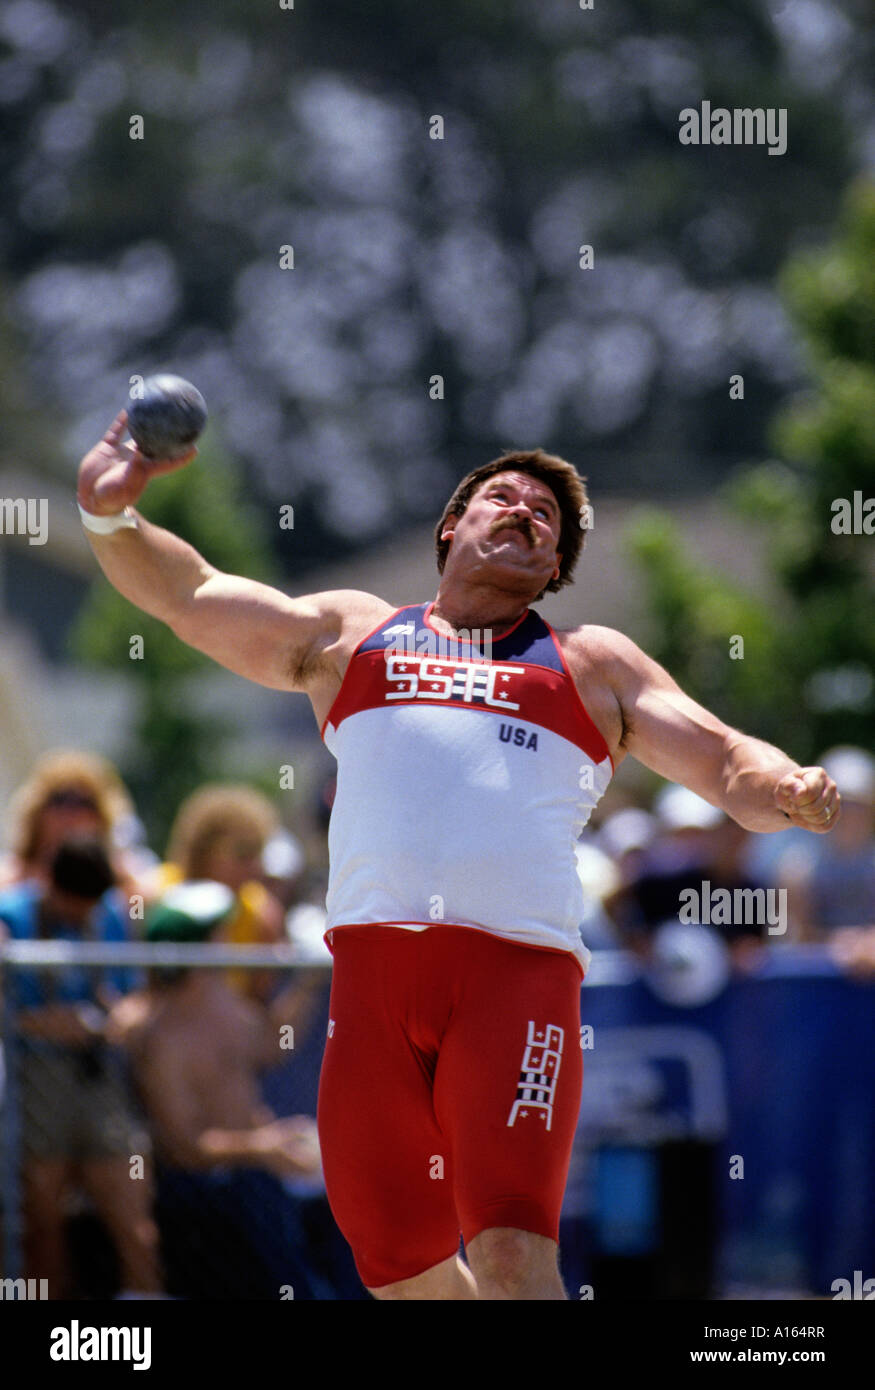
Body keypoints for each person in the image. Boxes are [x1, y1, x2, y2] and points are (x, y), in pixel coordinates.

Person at [75, 414, 841, 1300]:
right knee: (402, 1272)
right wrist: (108, 520)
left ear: (554, 569)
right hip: (372, 988)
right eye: (501, 498)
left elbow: (721, 758)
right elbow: (190, 596)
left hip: (513, 985)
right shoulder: (354, 635)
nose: (524, 513)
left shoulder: (588, 665)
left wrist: (787, 787)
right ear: (451, 528)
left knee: (514, 1253)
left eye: (546, 517)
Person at [108, 882, 337, 1299]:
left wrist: (306, 980)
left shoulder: (226, 1006)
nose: (227, 941)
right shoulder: (160, 1036)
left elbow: (271, 1045)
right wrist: (262, 1149)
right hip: (205, 1198)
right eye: (216, 934)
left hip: (254, 1180)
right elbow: (183, 1149)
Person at [0, 836, 161, 1298]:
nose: (83, 914)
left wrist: (108, 1022)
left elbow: (134, 999)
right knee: (41, 1220)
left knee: (133, 1218)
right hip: (34, 1084)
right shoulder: (11, 916)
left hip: (100, 1081)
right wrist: (41, 1024)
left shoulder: (110, 913)